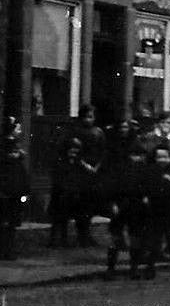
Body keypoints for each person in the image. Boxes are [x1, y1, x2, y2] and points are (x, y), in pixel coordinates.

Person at [105, 141, 148, 280]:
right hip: (121, 205)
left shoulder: (145, 170)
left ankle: (134, 269)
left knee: (135, 238)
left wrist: (146, 198)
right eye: (135, 155)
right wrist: (113, 204)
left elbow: (148, 188)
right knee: (116, 238)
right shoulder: (120, 169)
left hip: (137, 207)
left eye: (140, 156)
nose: (138, 159)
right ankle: (110, 268)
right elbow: (111, 188)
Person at [142, 145, 170, 280]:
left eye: (165, 157)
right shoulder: (151, 171)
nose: (162, 160)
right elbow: (146, 188)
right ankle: (150, 268)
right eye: (159, 157)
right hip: (155, 210)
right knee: (154, 241)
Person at [67, 104, 105, 246]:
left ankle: (87, 233)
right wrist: (85, 165)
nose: (89, 120)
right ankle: (81, 233)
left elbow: (103, 152)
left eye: (91, 117)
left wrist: (97, 167)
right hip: (80, 171)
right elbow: (75, 152)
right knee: (81, 204)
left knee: (91, 204)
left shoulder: (98, 132)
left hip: (94, 172)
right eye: (86, 117)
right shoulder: (77, 132)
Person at [0, 136, 30, 261]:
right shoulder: (1, 166)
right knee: (3, 227)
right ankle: (1, 251)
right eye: (12, 151)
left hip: (14, 201)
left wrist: (25, 194)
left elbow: (24, 181)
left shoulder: (18, 166)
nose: (14, 154)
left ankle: (8, 251)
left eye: (16, 151)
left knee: (10, 228)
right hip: (4, 200)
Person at [48, 137, 91, 248]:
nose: (74, 152)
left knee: (73, 218)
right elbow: (58, 177)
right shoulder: (60, 161)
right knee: (59, 220)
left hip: (73, 194)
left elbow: (83, 176)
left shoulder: (78, 162)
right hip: (62, 194)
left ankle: (71, 240)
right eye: (72, 149)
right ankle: (57, 241)